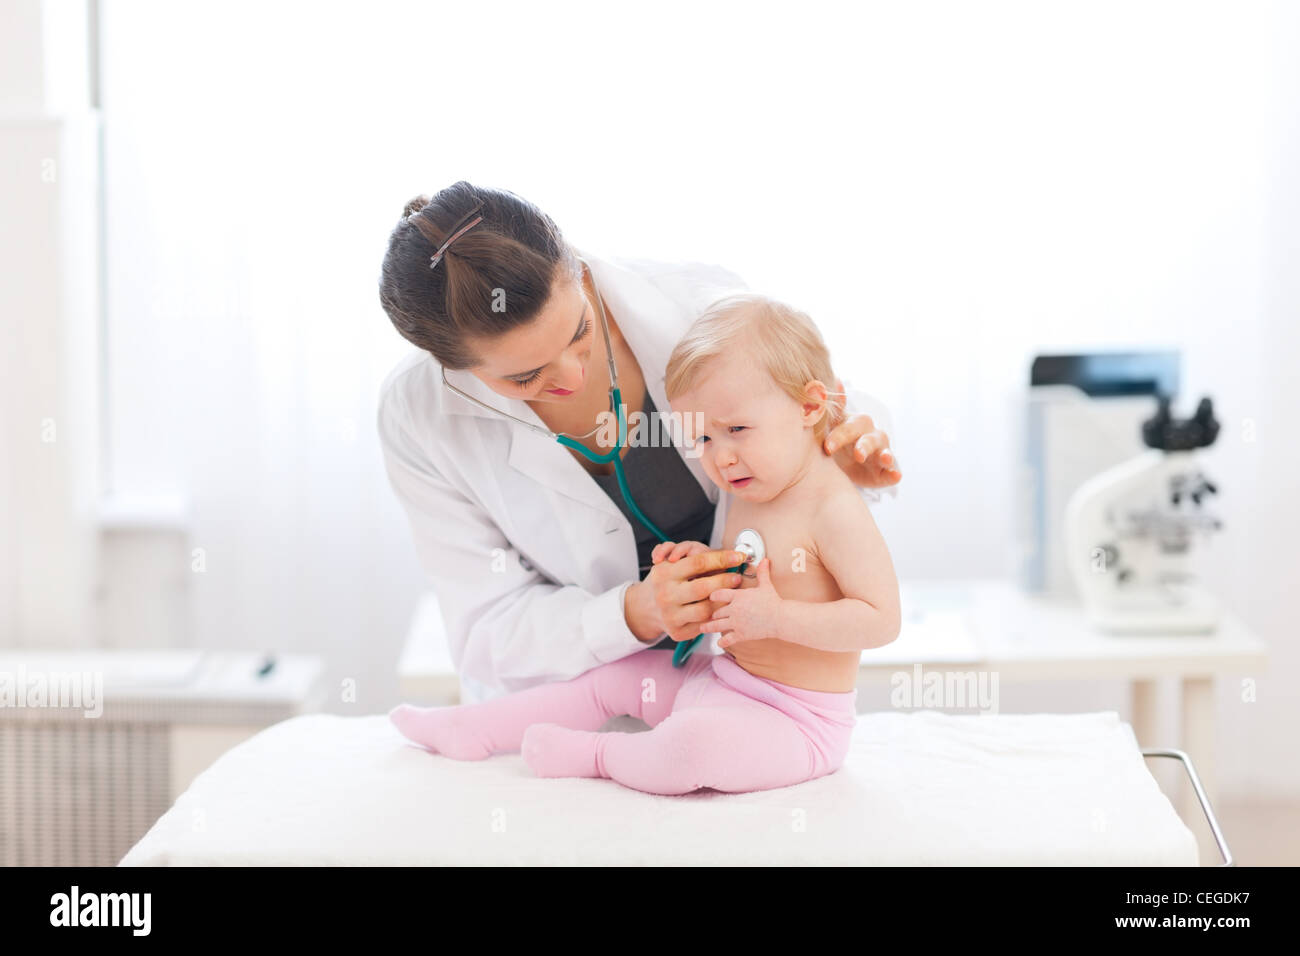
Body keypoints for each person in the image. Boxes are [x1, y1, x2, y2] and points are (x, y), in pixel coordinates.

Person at [376, 180, 902, 703]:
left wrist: (844, 454)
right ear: (454, 369)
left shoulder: (697, 310)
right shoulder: (417, 415)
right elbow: (486, 627)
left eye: (579, 332)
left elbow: (827, 408)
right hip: (567, 704)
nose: (572, 378)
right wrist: (634, 612)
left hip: (742, 687)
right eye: (525, 377)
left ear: (578, 270)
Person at [387, 292, 901, 796]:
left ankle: (595, 757)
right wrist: (700, 569)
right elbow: (745, 571)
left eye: (737, 430)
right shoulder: (752, 485)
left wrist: (776, 620)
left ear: (811, 405)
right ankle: (473, 728)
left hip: (796, 720)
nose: (719, 459)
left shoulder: (834, 508)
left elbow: (881, 619)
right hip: (722, 679)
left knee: (692, 748)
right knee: (614, 678)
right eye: (701, 440)